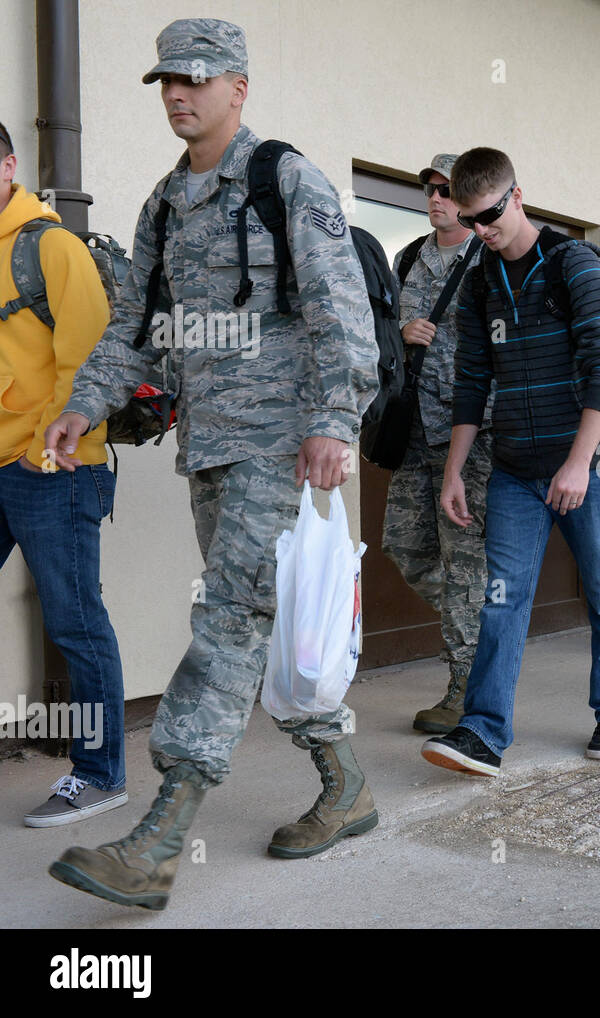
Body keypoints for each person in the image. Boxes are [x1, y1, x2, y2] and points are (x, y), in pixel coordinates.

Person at [44, 19, 379, 910]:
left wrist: (333, 422)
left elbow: (341, 309)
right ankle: (344, 784)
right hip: (211, 449)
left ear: (239, 86)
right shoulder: (163, 203)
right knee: (264, 625)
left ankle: (158, 840)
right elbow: (137, 328)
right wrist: (88, 402)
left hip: (283, 442)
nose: (177, 94)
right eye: (165, 81)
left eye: (195, 78)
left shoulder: (283, 180)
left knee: (228, 620)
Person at [424, 147, 600, 777]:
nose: (481, 231)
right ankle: (483, 732)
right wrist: (454, 471)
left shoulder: (576, 266)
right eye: (469, 222)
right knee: (501, 598)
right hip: (515, 469)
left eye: (489, 216)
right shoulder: (480, 281)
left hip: (586, 464)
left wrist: (579, 463)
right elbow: (471, 382)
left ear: (517, 196)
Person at [0, 121, 127, 828]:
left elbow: (90, 356)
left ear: (10, 165)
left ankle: (100, 774)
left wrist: (45, 449)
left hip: (53, 465)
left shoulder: (50, 245)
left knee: (76, 623)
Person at [382, 151, 489, 735]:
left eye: (446, 190)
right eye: (427, 189)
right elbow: (385, 328)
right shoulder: (409, 259)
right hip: (415, 425)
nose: (434, 198)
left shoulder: (488, 256)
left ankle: (465, 685)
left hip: (471, 433)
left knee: (463, 556)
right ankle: (483, 628)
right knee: (402, 544)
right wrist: (401, 330)